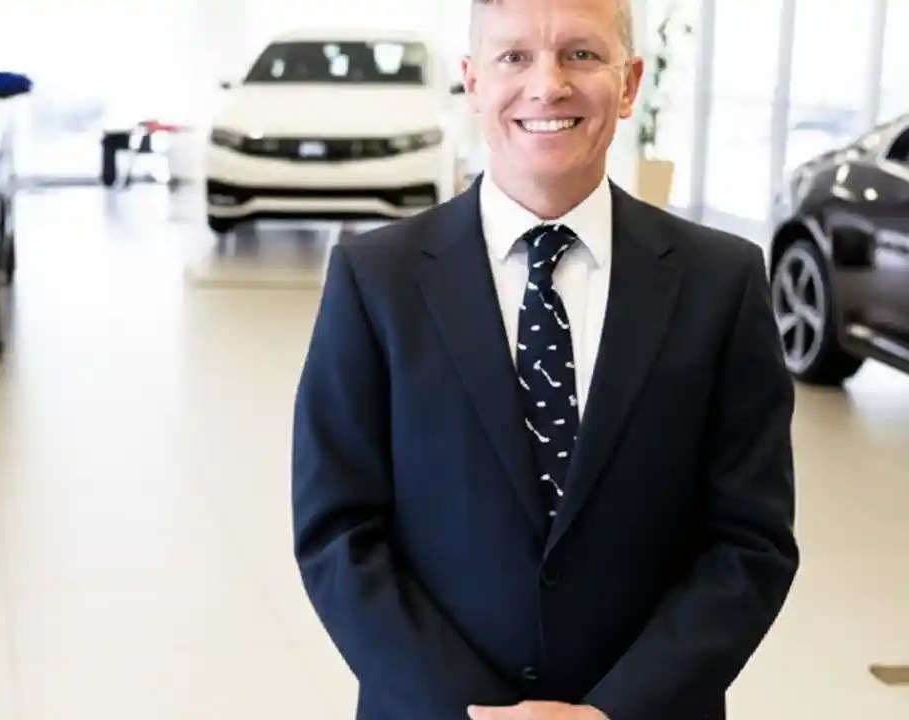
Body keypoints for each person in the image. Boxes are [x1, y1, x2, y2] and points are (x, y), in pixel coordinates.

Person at [290, 1, 800, 719]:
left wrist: (614, 711)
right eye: (514, 57)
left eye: (582, 55)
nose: (547, 84)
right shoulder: (375, 280)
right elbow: (338, 535)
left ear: (629, 84)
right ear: (471, 81)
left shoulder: (722, 283)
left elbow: (750, 542)